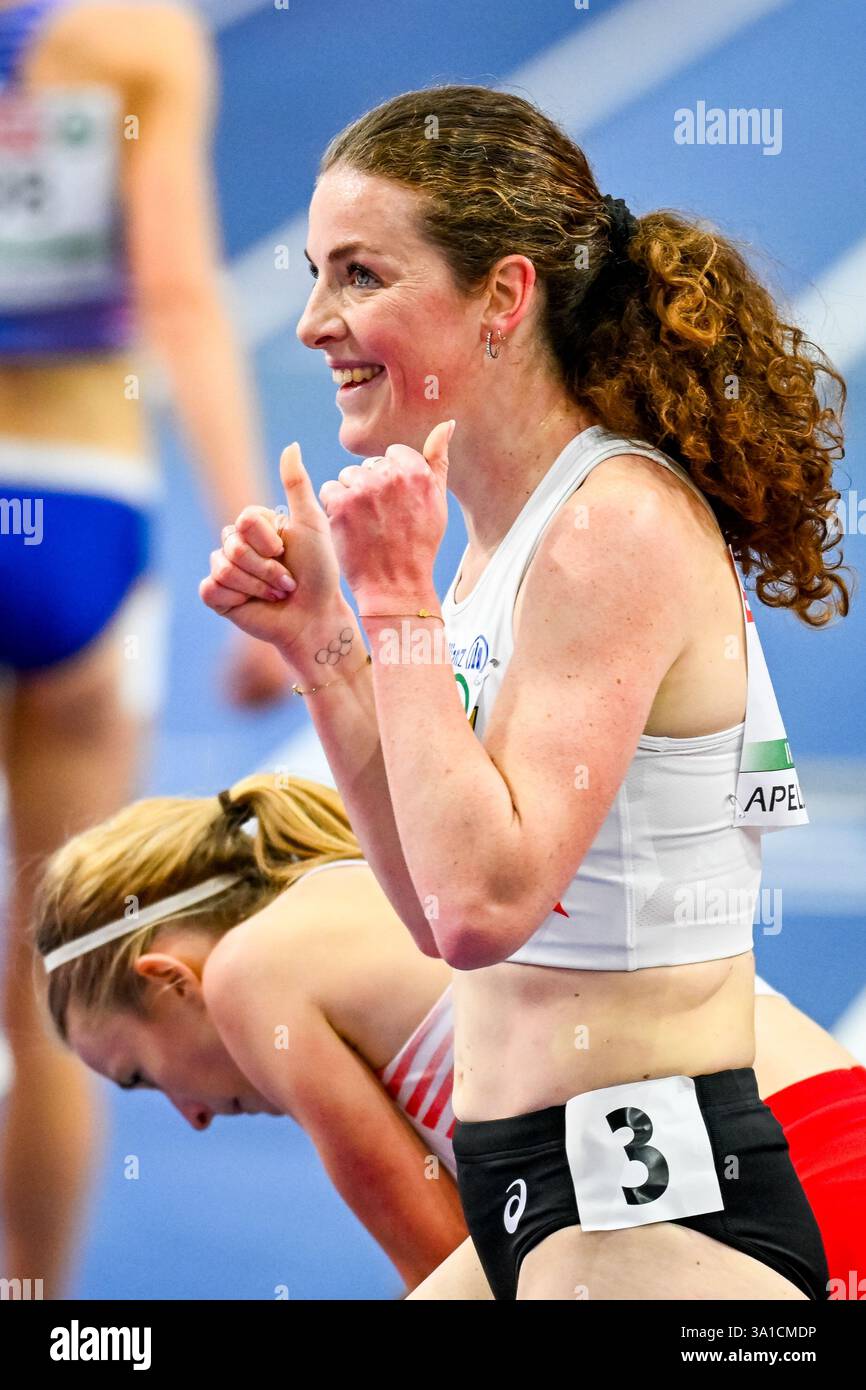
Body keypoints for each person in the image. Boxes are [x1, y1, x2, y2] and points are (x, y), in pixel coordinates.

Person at [201, 84, 852, 1299]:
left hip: (645, 1210)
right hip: (534, 1183)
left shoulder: (609, 527)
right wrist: (325, 647)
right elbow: (426, 904)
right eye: (312, 272)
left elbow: (482, 904)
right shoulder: (495, 542)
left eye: (358, 276)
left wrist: (393, 600)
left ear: (502, 295)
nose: (308, 322)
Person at [30, 775, 866, 1298]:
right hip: (819, 1142)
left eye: (140, 1077)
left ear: (171, 980)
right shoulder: (371, 891)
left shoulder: (253, 977)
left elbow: (454, 1265)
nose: (191, 1116)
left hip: (770, 1199)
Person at [0, 0, 288, 1296]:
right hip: (76, 512)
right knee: (45, 969)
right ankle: (37, 1306)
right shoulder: (133, 34)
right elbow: (176, 291)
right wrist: (254, 537)